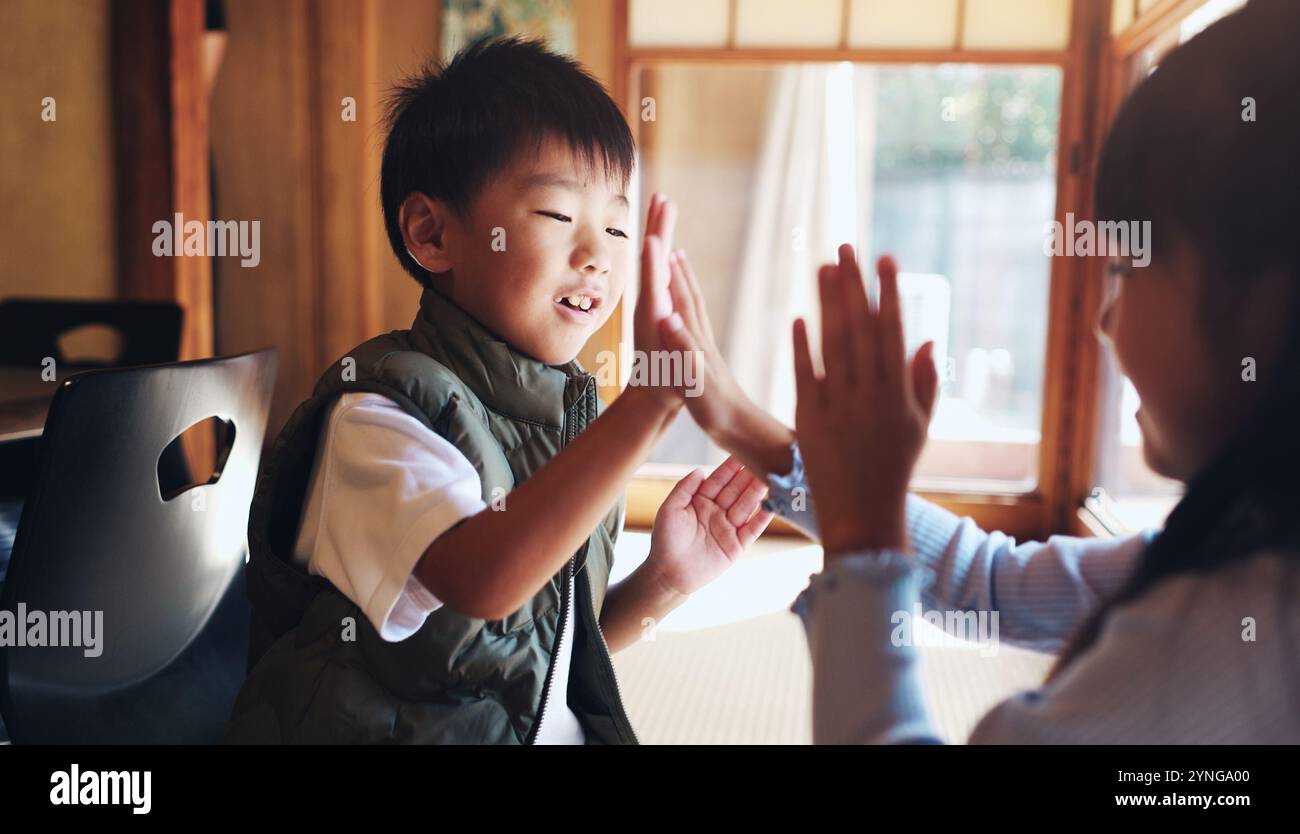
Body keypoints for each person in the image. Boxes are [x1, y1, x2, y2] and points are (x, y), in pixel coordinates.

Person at [660, 0, 1300, 743]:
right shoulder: (1237, 542)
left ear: (1267, 302)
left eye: (1129, 266)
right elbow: (990, 582)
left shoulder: (1235, 632)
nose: (1103, 318)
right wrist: (731, 414)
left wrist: (866, 541)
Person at [224, 37, 770, 744]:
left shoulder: (563, 416)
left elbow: (542, 652)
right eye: (556, 216)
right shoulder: (381, 417)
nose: (598, 254)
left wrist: (665, 580)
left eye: (614, 225)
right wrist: (649, 404)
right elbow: (483, 584)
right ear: (431, 234)